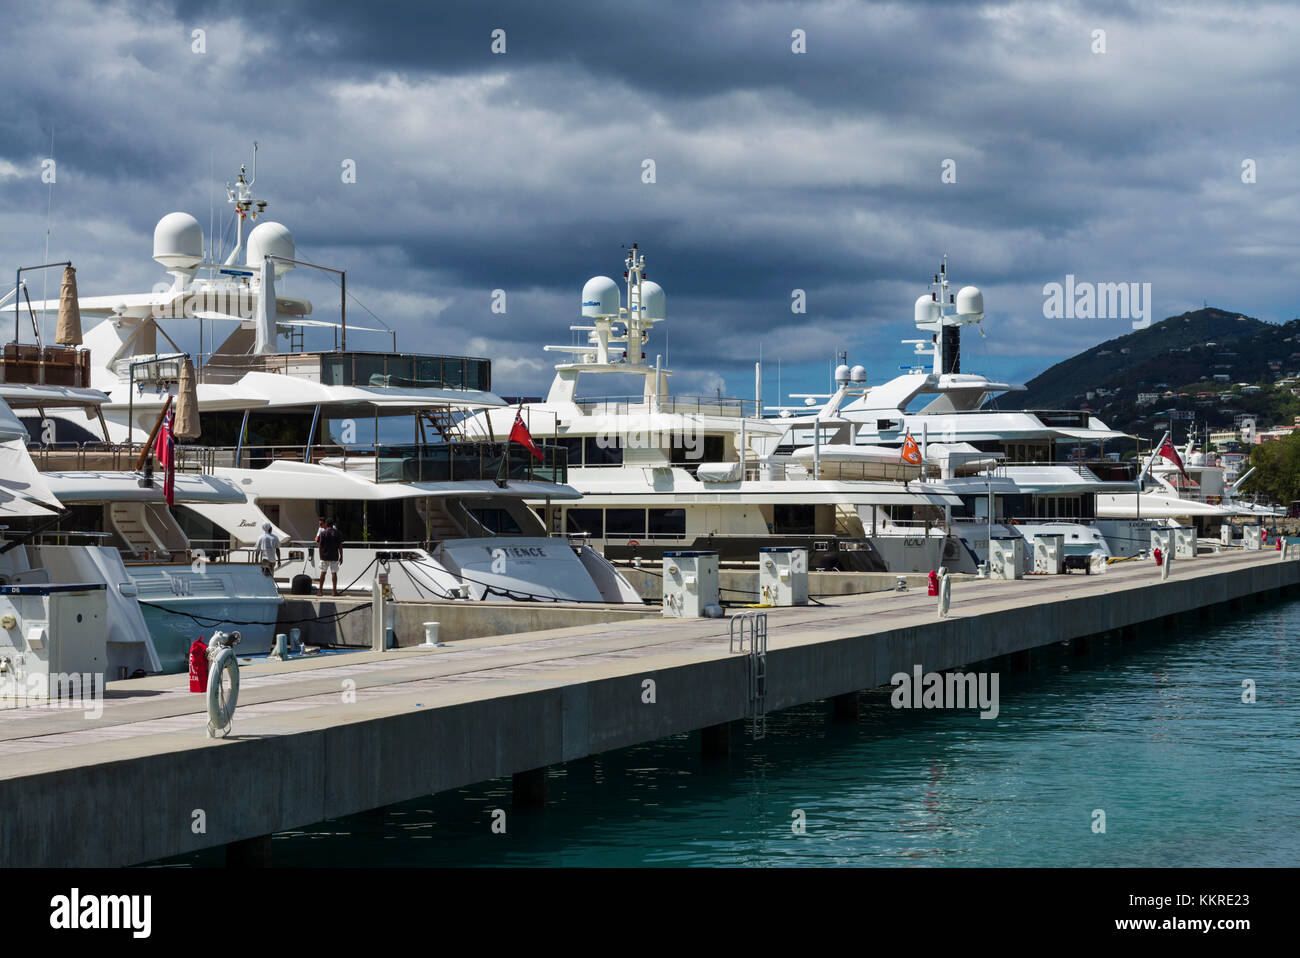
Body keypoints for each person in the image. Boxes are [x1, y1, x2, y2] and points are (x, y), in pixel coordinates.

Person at [317, 517, 343, 597]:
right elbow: (340, 546)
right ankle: (334, 591)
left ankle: (320, 591)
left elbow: (320, 546)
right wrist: (341, 556)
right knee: (334, 573)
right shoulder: (337, 533)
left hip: (324, 556)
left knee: (323, 573)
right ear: (333, 524)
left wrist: (320, 556)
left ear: (326, 524)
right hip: (334, 556)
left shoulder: (322, 533)